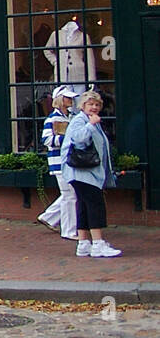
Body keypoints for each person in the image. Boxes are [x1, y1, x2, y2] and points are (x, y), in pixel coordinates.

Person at [61, 90, 120, 258]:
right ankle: (98, 244)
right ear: (83, 106)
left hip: (84, 173)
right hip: (83, 172)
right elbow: (79, 139)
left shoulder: (89, 120)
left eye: (96, 104)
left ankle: (83, 243)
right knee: (95, 205)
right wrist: (91, 125)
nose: (94, 107)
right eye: (90, 104)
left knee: (84, 206)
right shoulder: (82, 121)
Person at [37, 85, 78, 240]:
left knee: (70, 194)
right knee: (70, 195)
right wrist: (68, 138)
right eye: (68, 97)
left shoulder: (70, 117)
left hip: (68, 161)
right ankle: (68, 230)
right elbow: (46, 139)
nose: (71, 100)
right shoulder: (53, 118)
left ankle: (49, 217)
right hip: (59, 162)